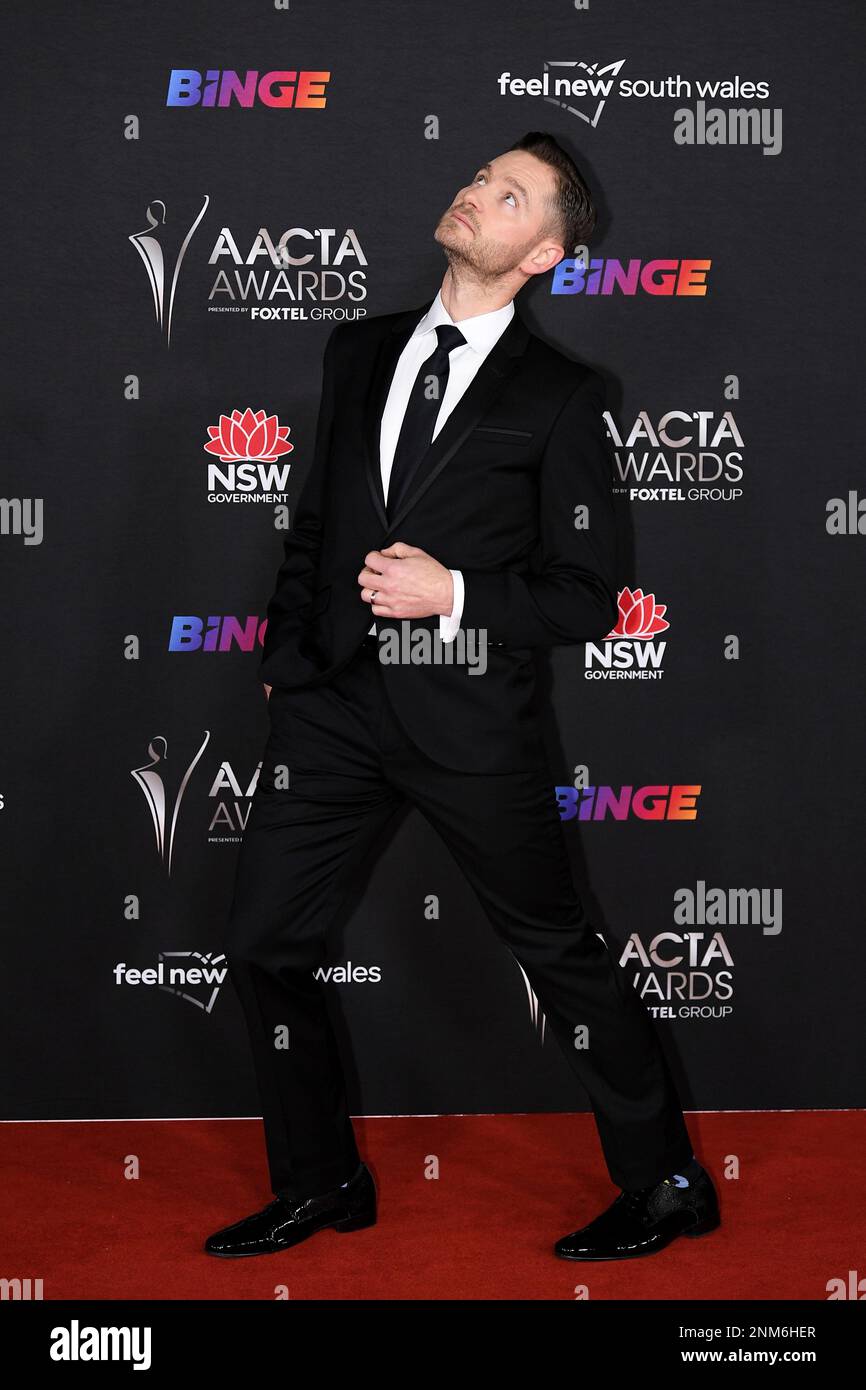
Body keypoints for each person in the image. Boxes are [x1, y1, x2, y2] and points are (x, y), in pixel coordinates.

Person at [204, 131, 720, 1262]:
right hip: (333, 708)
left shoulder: (564, 396)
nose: (476, 193)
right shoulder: (358, 348)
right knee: (261, 944)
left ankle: (668, 1182)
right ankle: (321, 1181)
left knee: (560, 954)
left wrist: (454, 594)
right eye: (481, 177)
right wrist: (287, 651)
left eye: (510, 195)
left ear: (543, 254)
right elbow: (315, 522)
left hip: (470, 722)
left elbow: (588, 597)